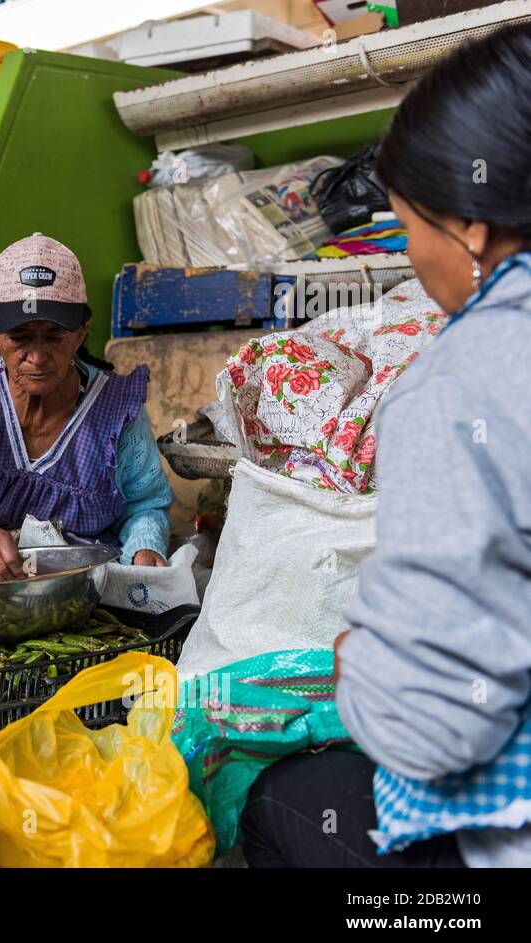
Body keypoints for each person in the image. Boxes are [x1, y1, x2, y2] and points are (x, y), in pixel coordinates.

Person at [241, 24, 531, 867]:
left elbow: (432, 727)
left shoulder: (461, 379)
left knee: (279, 801)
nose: (411, 256)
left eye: (409, 229)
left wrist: (362, 666)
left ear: (471, 226)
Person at [0, 233, 173, 581]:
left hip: (72, 588)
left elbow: (146, 504)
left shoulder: (118, 411)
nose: (38, 356)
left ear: (81, 332)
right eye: (20, 337)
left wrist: (145, 547)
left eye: (54, 336)